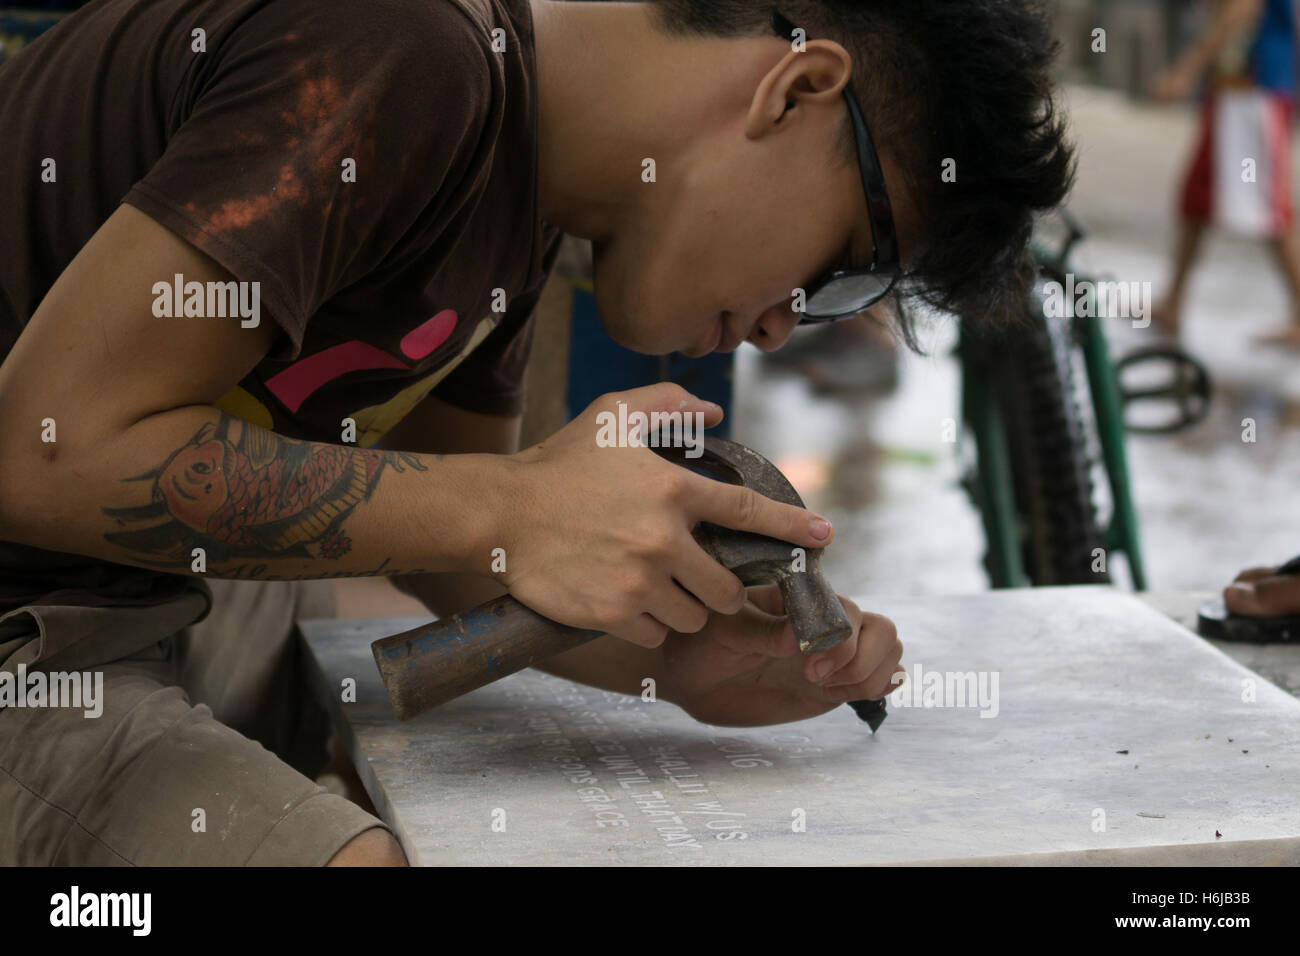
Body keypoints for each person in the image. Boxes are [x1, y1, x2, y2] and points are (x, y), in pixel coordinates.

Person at [0, 0, 1074, 865]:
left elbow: (450, 551)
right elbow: (43, 452)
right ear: (795, 91)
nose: (782, 327)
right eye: (841, 275)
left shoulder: (515, 190)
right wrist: (518, 501)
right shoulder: (402, 46)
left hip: (140, 607)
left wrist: (680, 660)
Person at [1152, 0, 1300, 345]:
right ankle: (1173, 300)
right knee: (1197, 195)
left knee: (1268, 205)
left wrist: (1186, 70)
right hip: (1233, 87)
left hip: (1256, 87)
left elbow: (1242, 7)